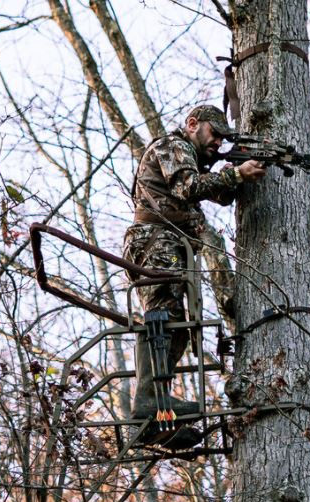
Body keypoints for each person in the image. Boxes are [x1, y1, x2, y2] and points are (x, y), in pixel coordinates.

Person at [123, 104, 265, 442]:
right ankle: (149, 401)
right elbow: (188, 187)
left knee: (177, 329)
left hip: (170, 245)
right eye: (214, 134)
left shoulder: (192, 157)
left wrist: (237, 169)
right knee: (162, 317)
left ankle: (155, 418)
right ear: (192, 124)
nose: (217, 142)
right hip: (156, 241)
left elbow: (218, 193)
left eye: (222, 139)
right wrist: (236, 173)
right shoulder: (172, 145)